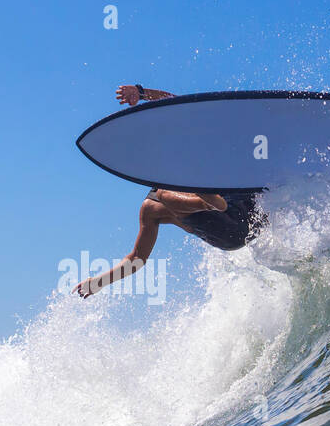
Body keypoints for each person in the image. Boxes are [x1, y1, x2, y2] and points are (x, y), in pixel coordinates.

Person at [73, 84, 266, 299]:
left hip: (251, 215)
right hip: (227, 233)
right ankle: (209, 203)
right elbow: (136, 259)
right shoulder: (152, 206)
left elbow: (180, 109)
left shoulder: (198, 151)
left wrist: (142, 92)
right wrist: (98, 282)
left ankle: (215, 201)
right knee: (163, 196)